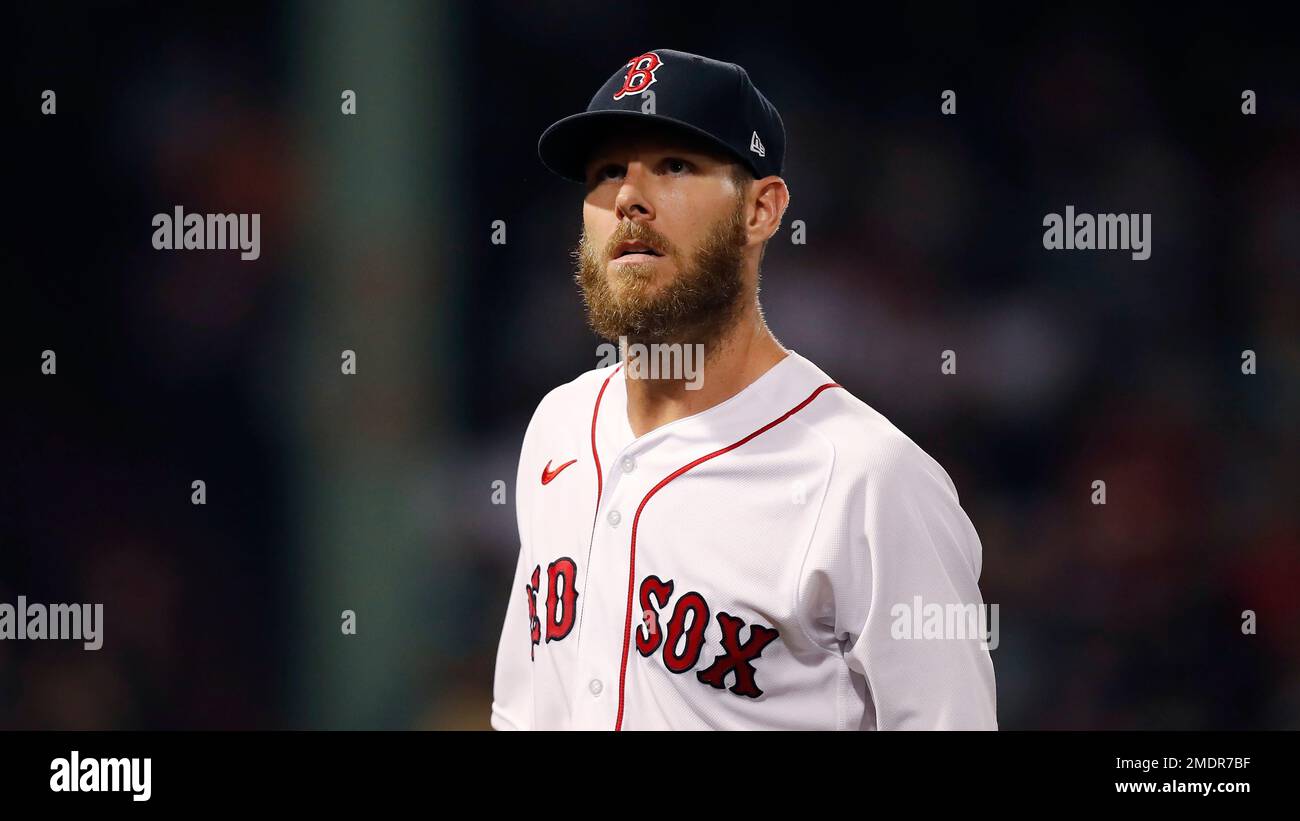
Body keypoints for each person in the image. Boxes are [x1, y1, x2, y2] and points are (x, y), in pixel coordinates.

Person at [491, 49, 996, 730]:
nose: (628, 197)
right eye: (607, 171)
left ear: (762, 209)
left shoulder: (869, 479)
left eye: (674, 166)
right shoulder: (559, 426)